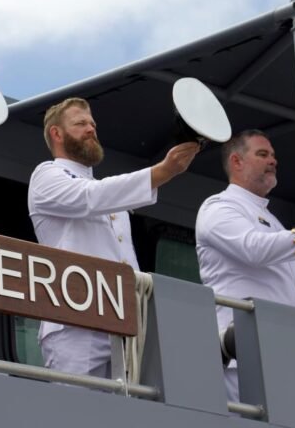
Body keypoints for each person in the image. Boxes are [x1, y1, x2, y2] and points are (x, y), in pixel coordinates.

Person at [27, 97, 199, 378]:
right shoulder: (47, 175)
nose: (91, 129)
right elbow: (89, 197)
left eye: (92, 123)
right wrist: (162, 171)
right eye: (80, 123)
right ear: (56, 134)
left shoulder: (101, 187)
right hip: (74, 322)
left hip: (122, 323)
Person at [195, 129, 295, 400]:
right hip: (243, 355)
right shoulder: (218, 207)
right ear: (237, 162)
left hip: (284, 357)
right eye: (262, 154)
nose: (273, 161)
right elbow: (254, 249)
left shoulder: (273, 221)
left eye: (273, 156)